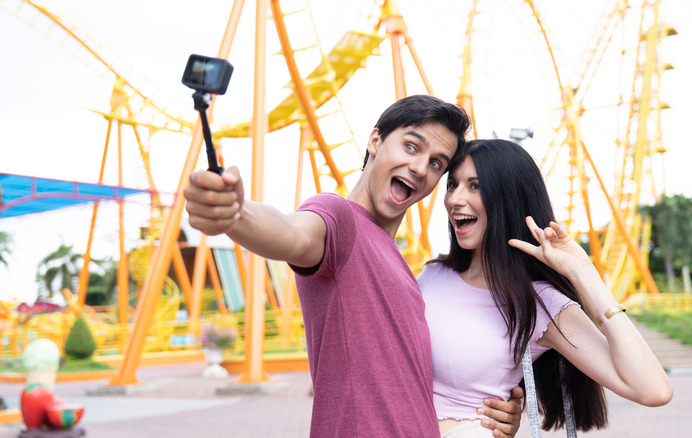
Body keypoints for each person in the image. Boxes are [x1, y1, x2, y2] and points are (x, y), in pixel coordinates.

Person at [183, 95, 522, 438]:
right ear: (375, 140)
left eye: (436, 163)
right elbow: (293, 232)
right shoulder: (340, 220)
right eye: (410, 147)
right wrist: (236, 213)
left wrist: (491, 410)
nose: (420, 168)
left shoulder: (404, 268)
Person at [418, 138, 673, 437]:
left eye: (475, 186)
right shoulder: (431, 276)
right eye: (452, 185)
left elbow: (653, 390)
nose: (454, 199)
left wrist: (584, 273)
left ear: (509, 198)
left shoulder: (538, 303)